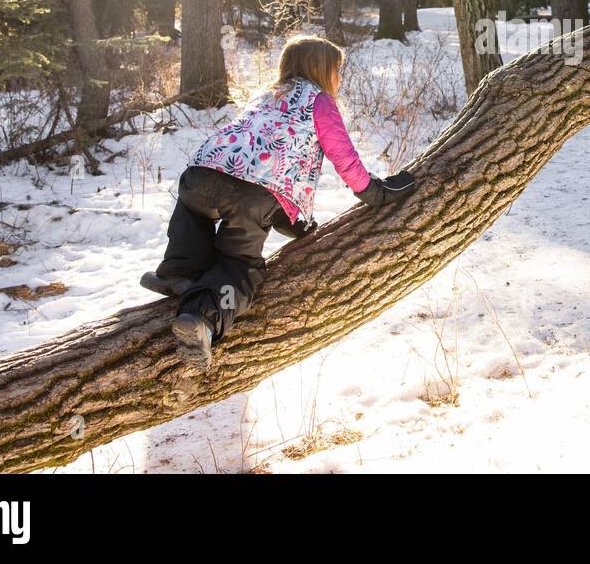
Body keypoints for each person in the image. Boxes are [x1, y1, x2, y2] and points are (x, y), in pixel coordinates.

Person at [141, 35, 416, 365]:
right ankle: (202, 316)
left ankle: (178, 270)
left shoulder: (266, 94)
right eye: (337, 70)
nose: (339, 78)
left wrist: (293, 219)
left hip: (200, 172)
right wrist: (376, 192)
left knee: (194, 214)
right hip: (254, 193)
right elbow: (343, 157)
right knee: (240, 265)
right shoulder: (321, 102)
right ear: (322, 69)